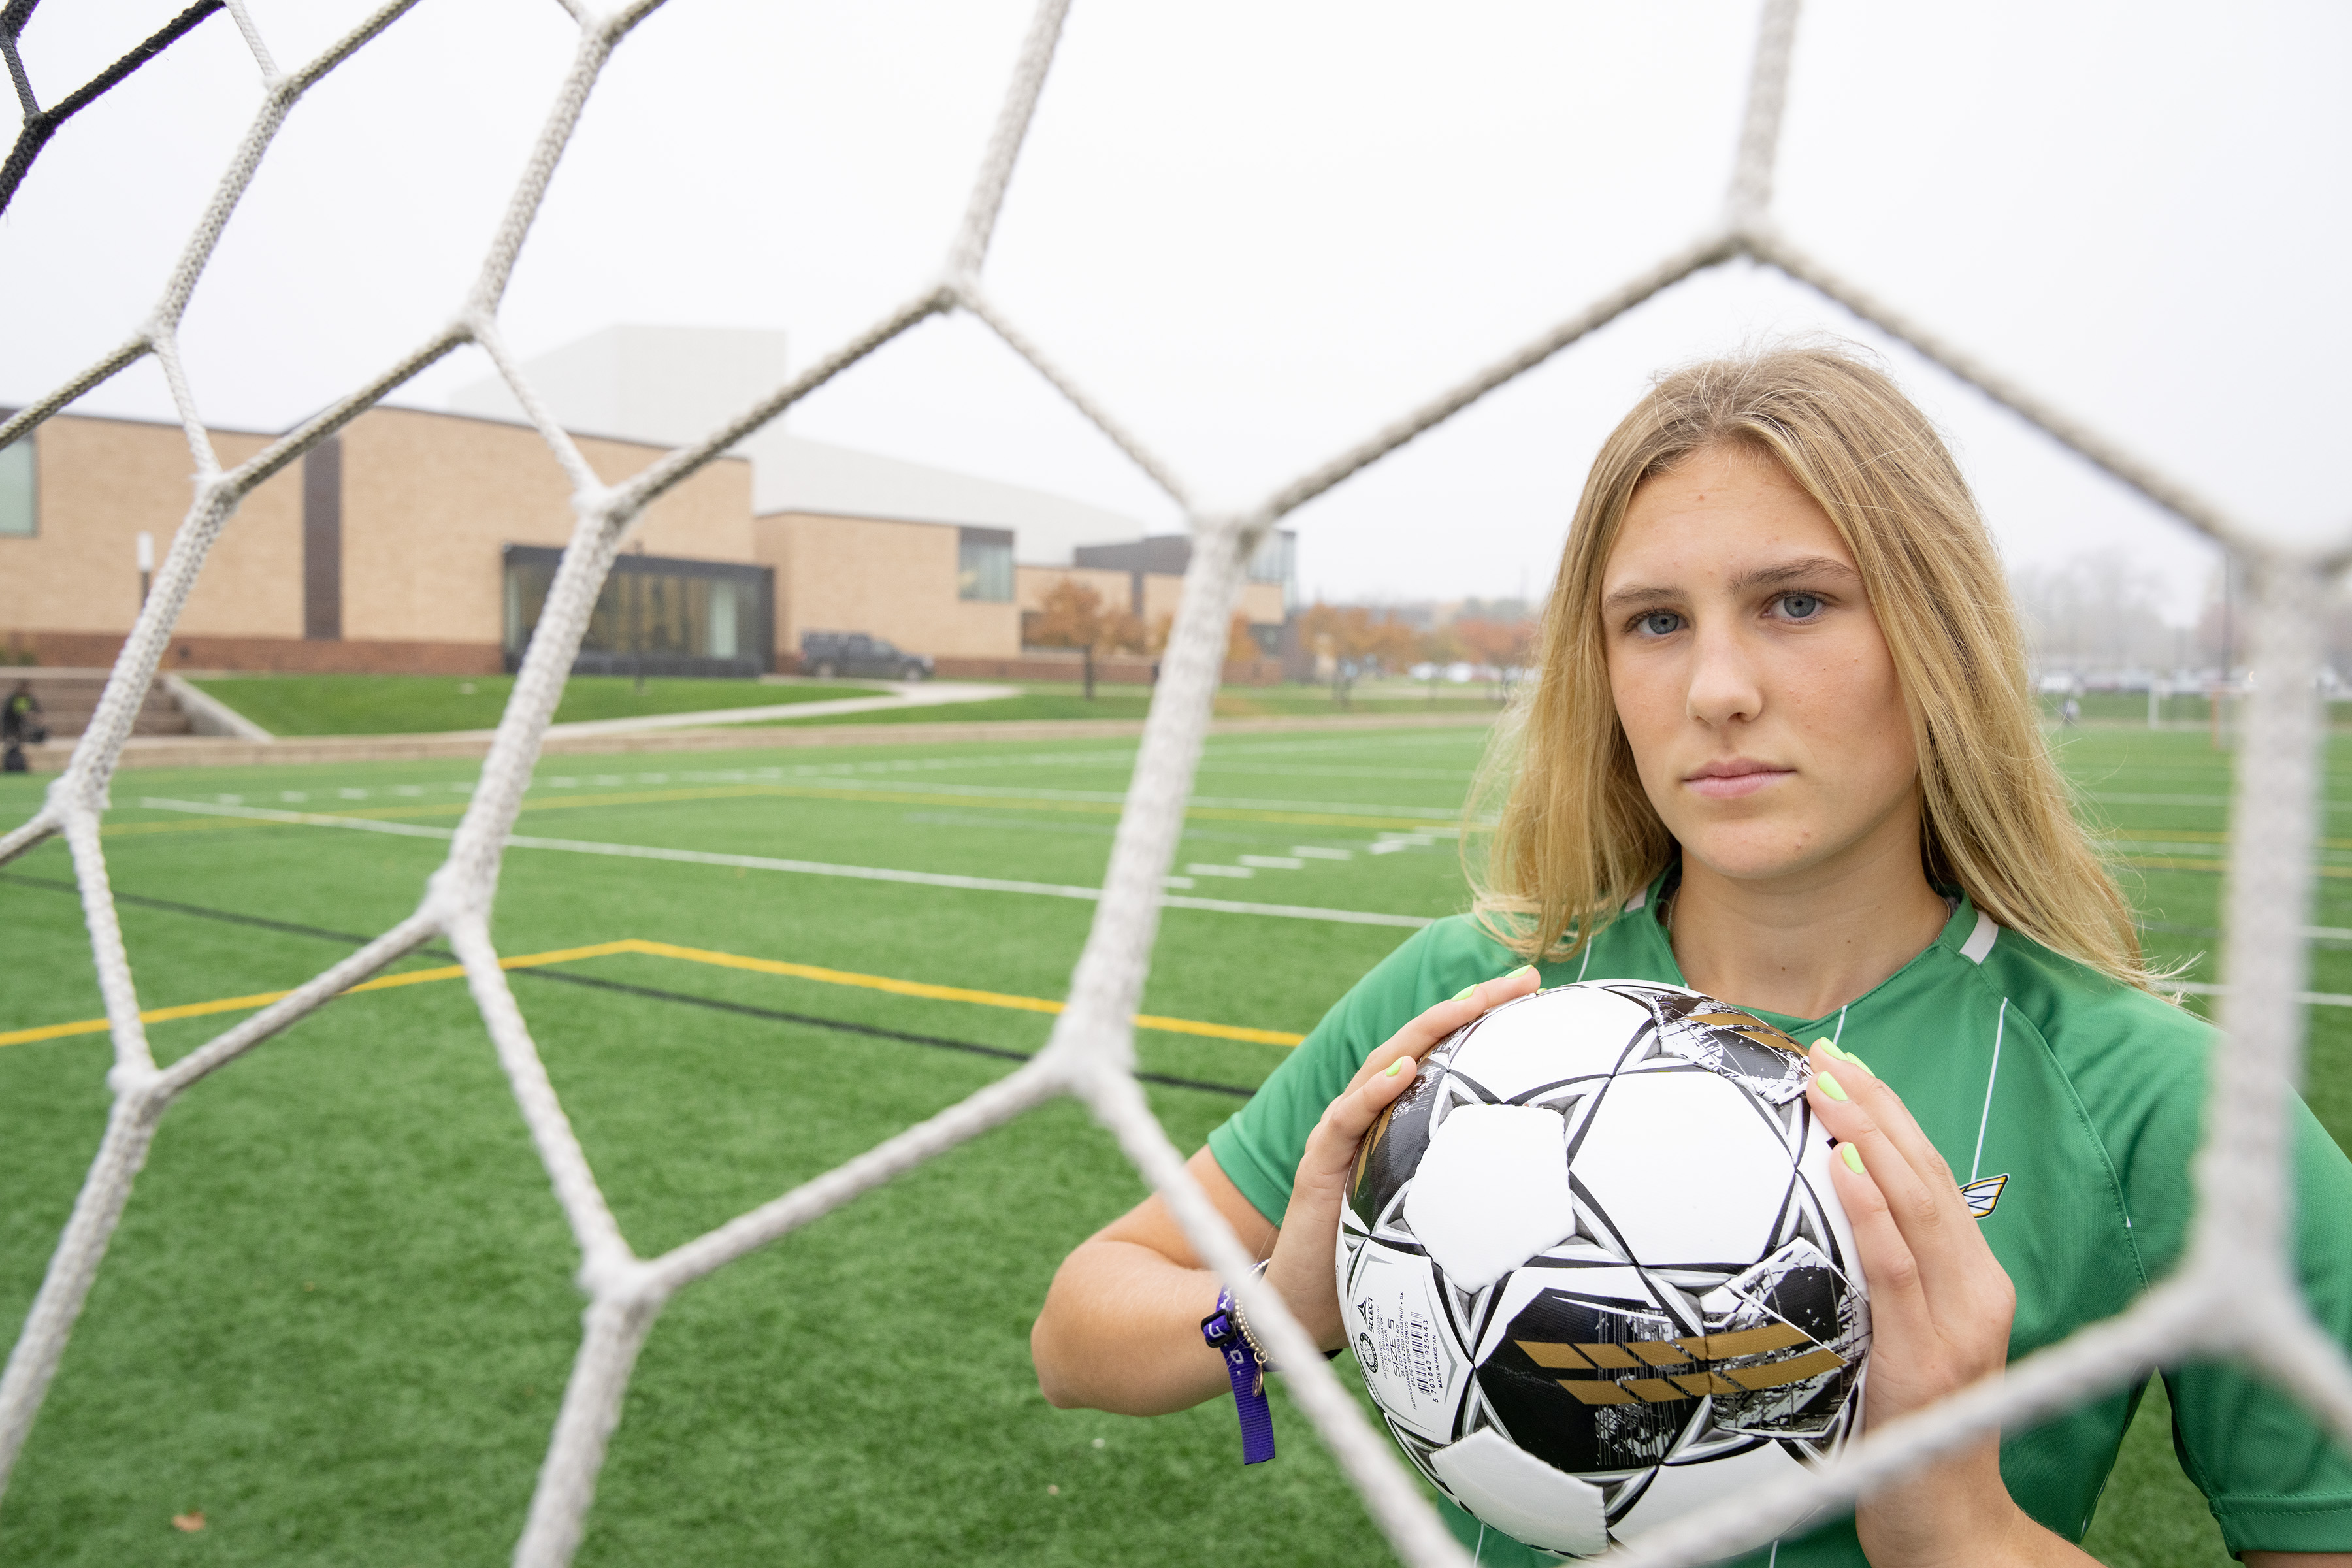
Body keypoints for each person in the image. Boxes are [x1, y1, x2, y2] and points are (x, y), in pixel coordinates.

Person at [1029, 346, 2352, 1566]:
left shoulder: (2162, 1106)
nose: (1717, 687)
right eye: (1654, 621)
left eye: (1795, 602)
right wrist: (1271, 1307)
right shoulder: (1468, 1012)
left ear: (1935, 634)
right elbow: (1081, 1332)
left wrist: (1961, 1525)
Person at [1, 678, 40, 772]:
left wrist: (32, 716)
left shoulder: (30, 699)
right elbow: (6, 716)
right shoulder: (13, 699)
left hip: (24, 729)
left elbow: (38, 714)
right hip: (11, 729)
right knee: (12, 747)